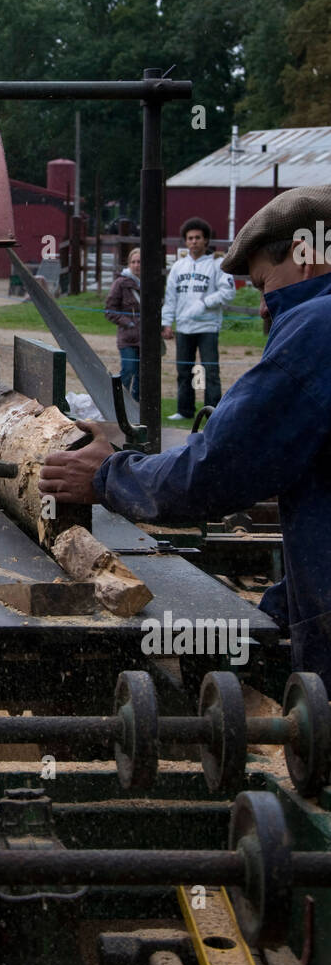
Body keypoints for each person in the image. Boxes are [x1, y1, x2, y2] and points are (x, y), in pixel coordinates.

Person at [38, 184, 331, 689]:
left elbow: (221, 466)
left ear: (307, 255)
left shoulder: (318, 326)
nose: (262, 308)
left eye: (263, 285)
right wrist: (283, 613)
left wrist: (109, 476)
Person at [162, 217, 235, 421]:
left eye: (198, 238)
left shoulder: (217, 264)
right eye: (190, 238)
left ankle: (213, 411)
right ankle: (185, 411)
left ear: (206, 240)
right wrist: (166, 322)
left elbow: (228, 292)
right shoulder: (178, 267)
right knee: (185, 370)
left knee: (209, 371)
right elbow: (170, 297)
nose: (194, 241)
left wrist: (205, 303)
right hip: (184, 327)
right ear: (185, 241)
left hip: (208, 326)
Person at [105, 247, 141, 402]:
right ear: (129, 264)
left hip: (146, 338)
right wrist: (128, 323)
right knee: (128, 370)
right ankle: (120, 404)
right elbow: (109, 311)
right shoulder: (120, 283)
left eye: (140, 261)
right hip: (128, 337)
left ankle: (137, 407)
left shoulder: (152, 282)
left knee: (142, 376)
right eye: (133, 262)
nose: (137, 265)